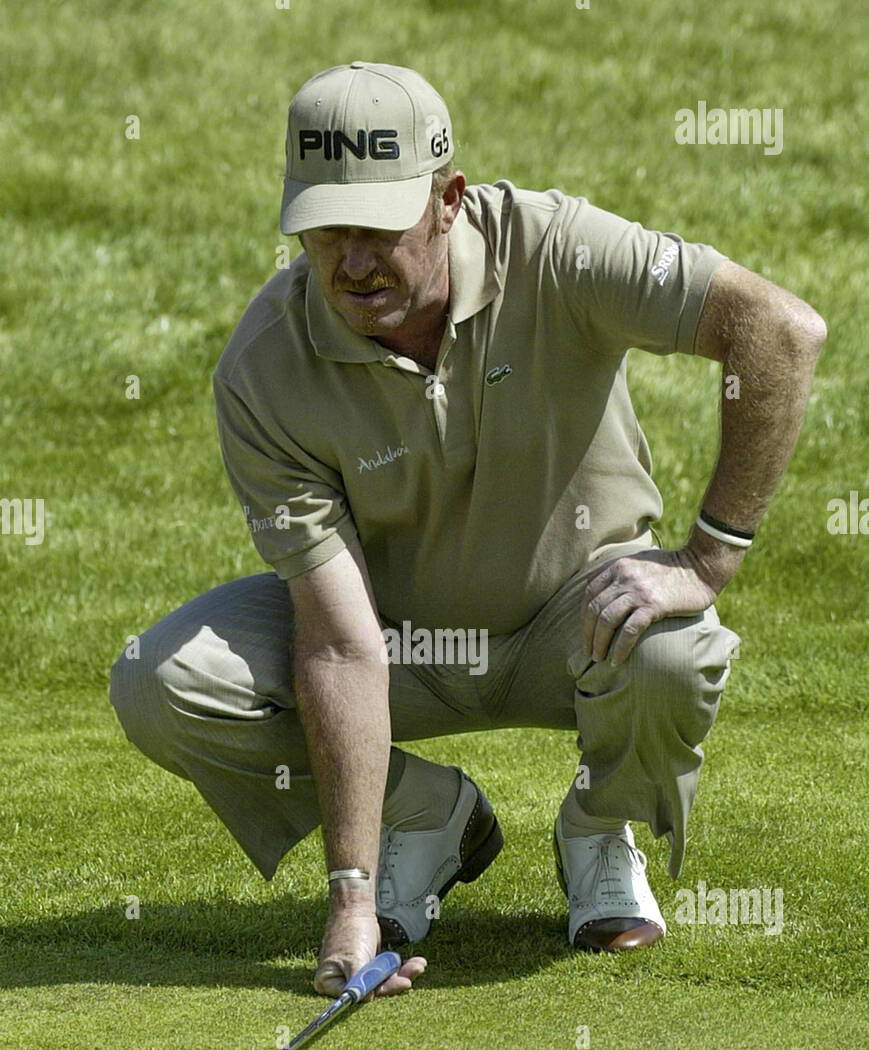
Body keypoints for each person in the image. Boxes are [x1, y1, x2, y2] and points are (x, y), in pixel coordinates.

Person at [109, 61, 826, 998]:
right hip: (389, 640)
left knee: (675, 649)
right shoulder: (264, 366)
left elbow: (777, 330)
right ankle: (425, 815)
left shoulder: (558, 248)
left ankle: (596, 828)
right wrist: (350, 895)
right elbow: (336, 640)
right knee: (159, 682)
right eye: (326, 230)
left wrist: (706, 556)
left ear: (449, 200)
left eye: (379, 228)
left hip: (578, 623)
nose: (352, 262)